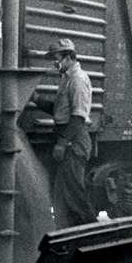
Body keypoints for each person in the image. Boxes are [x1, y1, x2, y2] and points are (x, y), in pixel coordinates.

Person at [33, 38, 98, 228]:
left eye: (57, 59)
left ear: (69, 58)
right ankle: (67, 234)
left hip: (73, 140)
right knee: (61, 196)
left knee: (74, 193)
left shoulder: (78, 79)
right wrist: (36, 99)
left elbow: (78, 116)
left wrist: (62, 143)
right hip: (68, 138)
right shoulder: (67, 79)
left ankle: (92, 232)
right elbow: (58, 110)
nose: (55, 63)